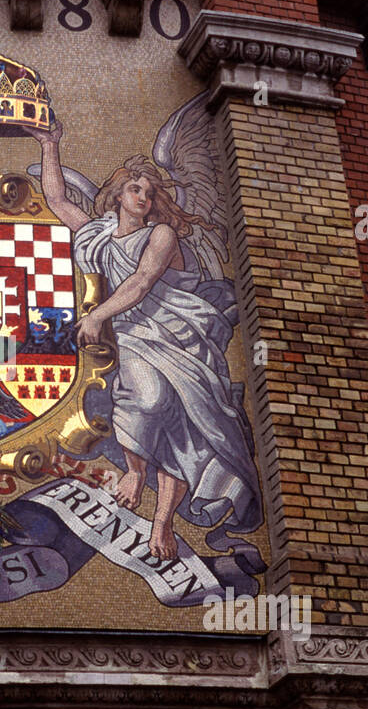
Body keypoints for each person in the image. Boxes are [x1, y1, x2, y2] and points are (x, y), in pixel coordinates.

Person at [26, 122, 261, 561]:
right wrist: (49, 144)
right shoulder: (98, 233)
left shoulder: (161, 234)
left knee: (187, 428)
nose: (144, 199)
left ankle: (163, 520)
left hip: (180, 332)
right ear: (118, 195)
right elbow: (57, 200)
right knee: (150, 400)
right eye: (135, 190)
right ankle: (135, 472)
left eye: (150, 194)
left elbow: (140, 281)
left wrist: (96, 314)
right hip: (134, 334)